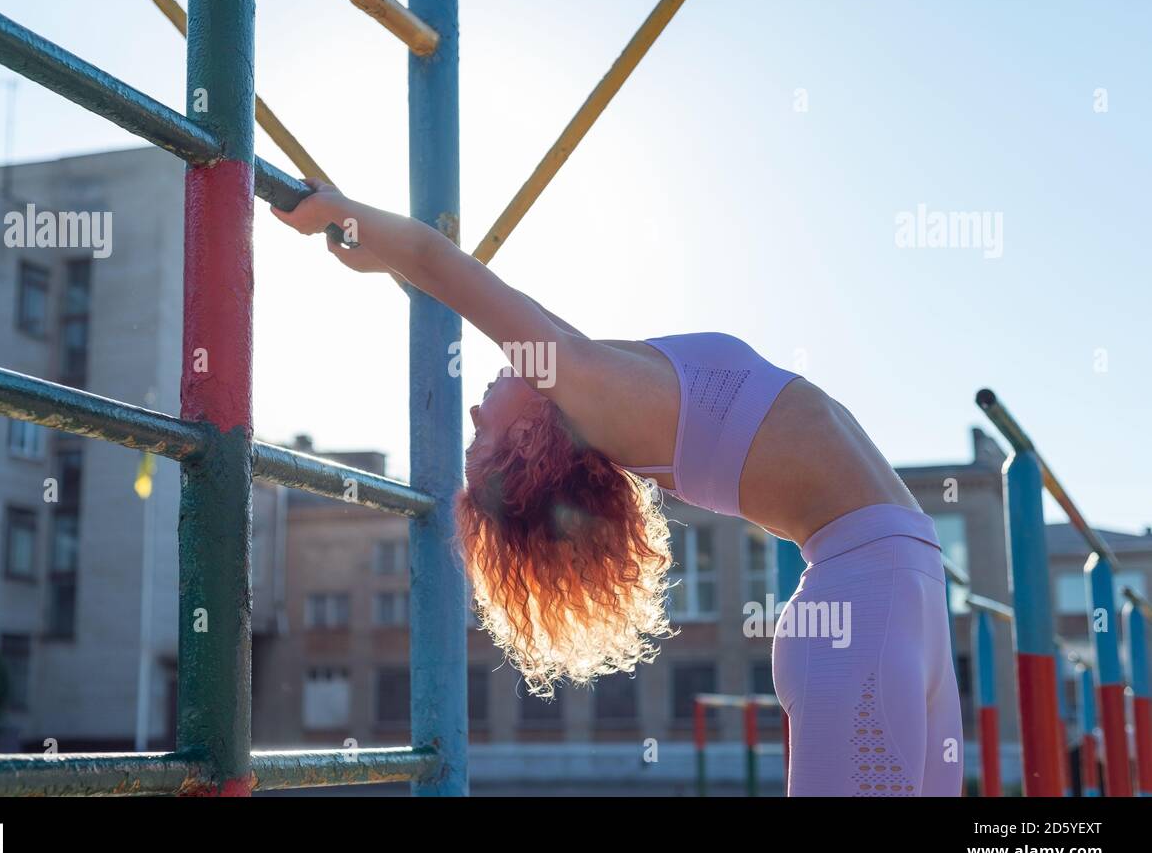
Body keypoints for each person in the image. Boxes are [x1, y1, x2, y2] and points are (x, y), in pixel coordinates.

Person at [273, 182, 963, 796]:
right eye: (481, 441)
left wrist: (379, 252)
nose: (476, 415)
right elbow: (441, 264)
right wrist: (350, 221)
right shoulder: (584, 392)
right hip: (863, 599)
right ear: (535, 450)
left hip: (907, 583)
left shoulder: (597, 376)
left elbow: (509, 302)